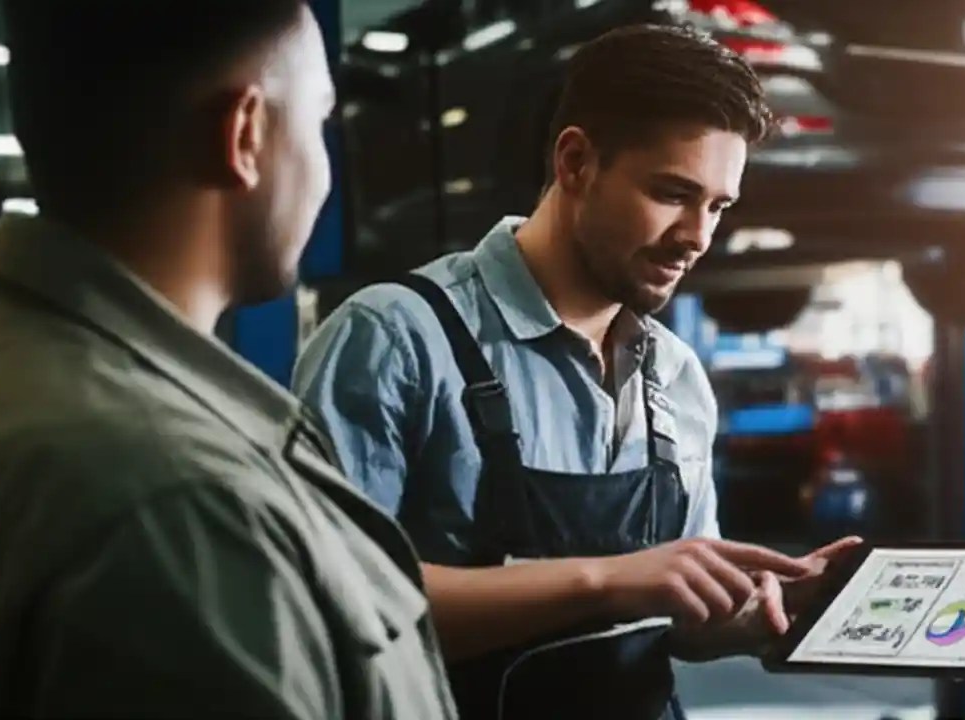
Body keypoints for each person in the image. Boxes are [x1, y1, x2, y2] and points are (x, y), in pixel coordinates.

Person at [294, 24, 859, 720]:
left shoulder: (677, 379)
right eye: (672, 192)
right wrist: (607, 581)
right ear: (575, 162)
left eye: (717, 205)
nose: (698, 235)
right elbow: (324, 601)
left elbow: (670, 622)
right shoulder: (395, 340)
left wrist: (745, 621)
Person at [0, 2, 456, 718]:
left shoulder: (23, 366)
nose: (326, 173)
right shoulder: (184, 510)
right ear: (246, 135)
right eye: (319, 124)